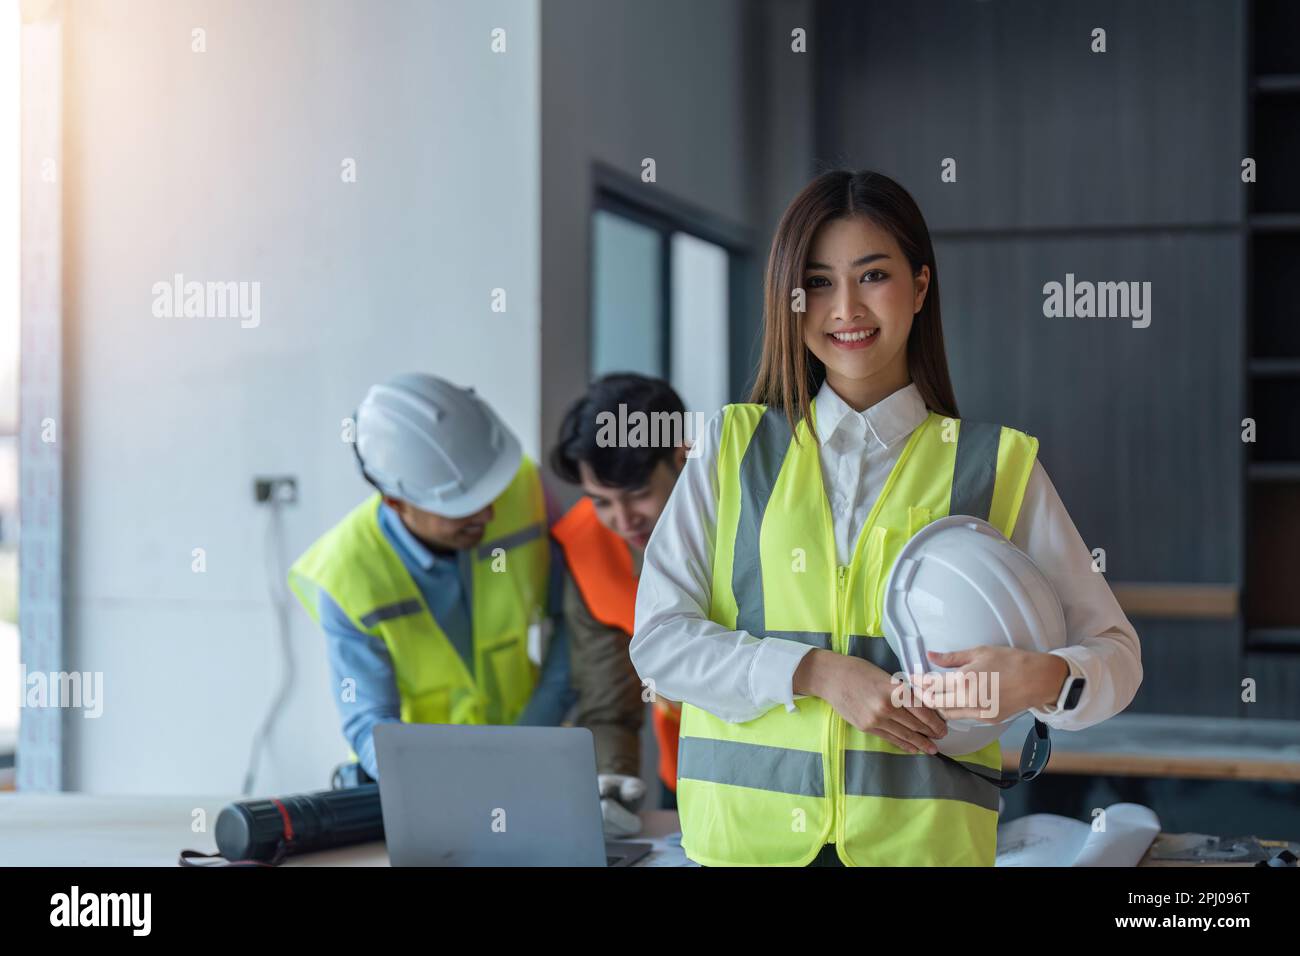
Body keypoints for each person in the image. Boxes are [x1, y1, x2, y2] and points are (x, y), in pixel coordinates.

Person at [630, 170, 1142, 867]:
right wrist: (814, 672)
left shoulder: (996, 466)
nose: (844, 308)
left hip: (923, 854)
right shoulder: (731, 448)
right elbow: (659, 643)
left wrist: (1041, 680)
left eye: (873, 276)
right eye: (817, 282)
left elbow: (1116, 657)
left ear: (921, 287)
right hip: (745, 849)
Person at [288, 373, 574, 782]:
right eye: (463, 508)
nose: (489, 515)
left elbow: (573, 624)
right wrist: (429, 785)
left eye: (488, 497)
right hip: (431, 780)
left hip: (532, 753)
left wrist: (529, 741)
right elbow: (371, 720)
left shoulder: (522, 490)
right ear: (397, 503)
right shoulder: (348, 574)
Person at [550, 373, 690, 831]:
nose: (623, 519)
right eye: (601, 501)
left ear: (681, 455)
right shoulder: (583, 543)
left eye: (637, 495)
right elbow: (607, 696)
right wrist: (612, 780)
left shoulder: (753, 515)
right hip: (685, 773)